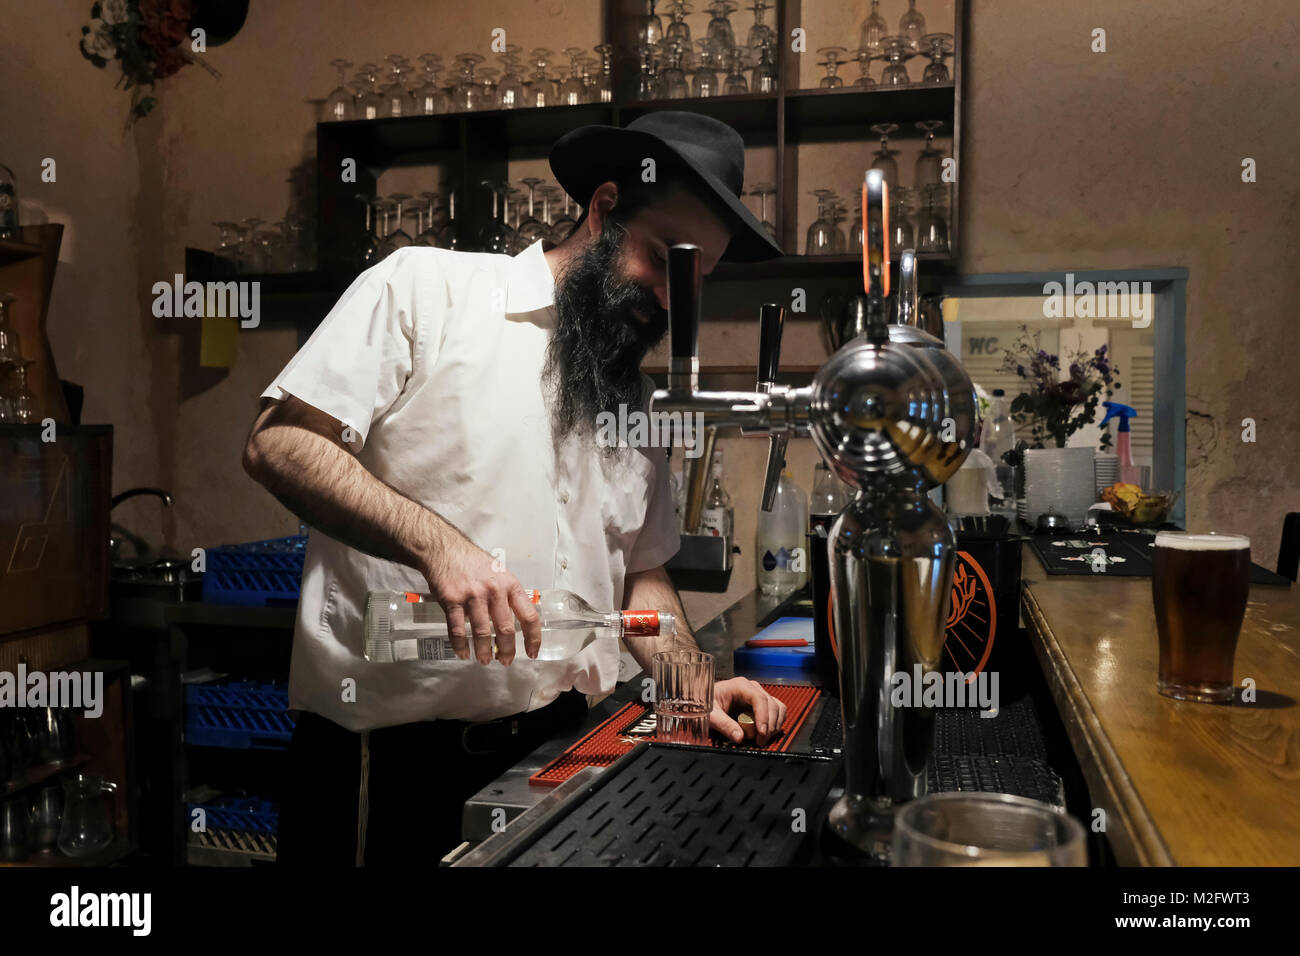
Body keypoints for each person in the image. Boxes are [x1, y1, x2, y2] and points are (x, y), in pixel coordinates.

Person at [242, 111, 788, 866]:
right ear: (602, 210)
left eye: (695, 283)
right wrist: (439, 547)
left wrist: (695, 686)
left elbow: (638, 575)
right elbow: (280, 442)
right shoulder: (427, 291)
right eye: (663, 260)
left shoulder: (630, 396)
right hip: (389, 769)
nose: (670, 300)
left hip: (557, 755)